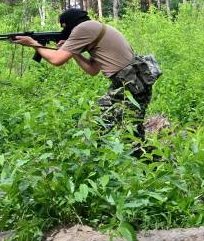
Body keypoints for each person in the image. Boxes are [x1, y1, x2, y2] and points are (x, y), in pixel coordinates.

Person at [11, 8, 158, 147]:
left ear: (71, 24)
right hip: (134, 82)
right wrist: (74, 51)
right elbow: (93, 70)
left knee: (92, 126)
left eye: (64, 27)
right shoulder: (94, 28)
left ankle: (88, 164)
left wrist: (34, 44)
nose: (64, 31)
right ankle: (150, 167)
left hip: (129, 84)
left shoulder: (84, 28)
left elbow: (57, 60)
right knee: (131, 135)